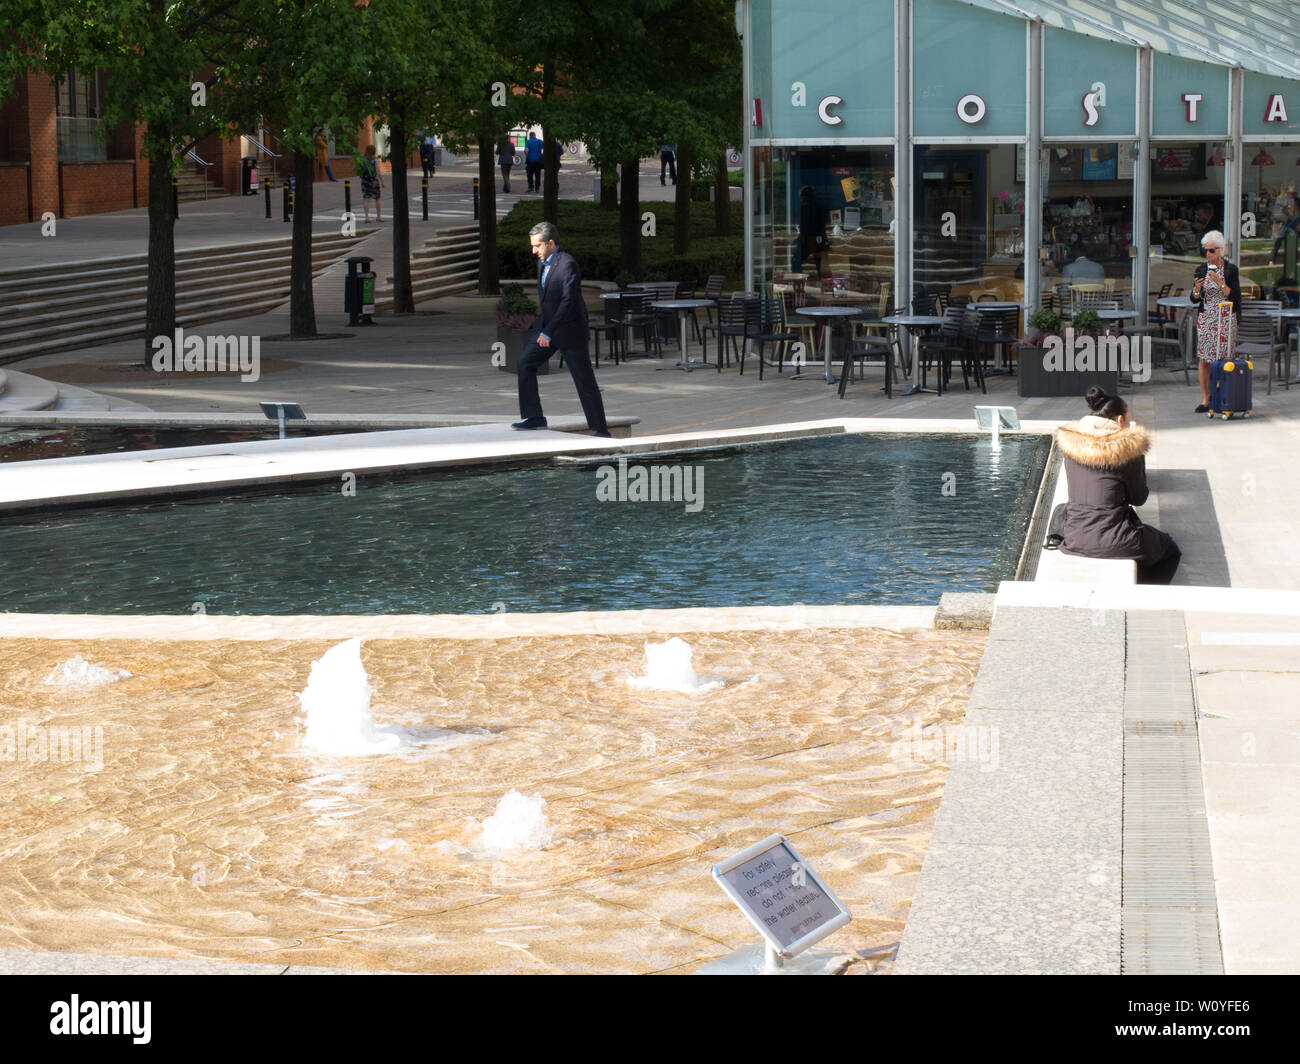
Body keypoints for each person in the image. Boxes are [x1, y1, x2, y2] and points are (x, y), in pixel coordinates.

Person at [1054, 387, 1181, 584]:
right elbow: (1139, 498)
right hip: (1117, 540)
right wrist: (1138, 460)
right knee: (1170, 549)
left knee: (1061, 510)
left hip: (1075, 537)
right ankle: (1144, 593)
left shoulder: (1070, 445)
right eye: (1128, 420)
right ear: (1120, 420)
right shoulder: (1126, 451)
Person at [513, 222, 611, 438]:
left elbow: (568, 301)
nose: (533, 251)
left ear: (550, 243)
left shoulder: (568, 264)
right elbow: (547, 300)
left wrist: (549, 331)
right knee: (524, 364)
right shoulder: (542, 264)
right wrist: (542, 328)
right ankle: (534, 417)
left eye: (537, 246)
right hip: (547, 328)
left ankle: (601, 430)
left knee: (583, 379)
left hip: (569, 331)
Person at [1190, 229, 1239, 413]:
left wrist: (1219, 282)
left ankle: (1224, 396)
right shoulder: (1201, 269)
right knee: (1204, 360)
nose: (1208, 254)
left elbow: (1234, 295)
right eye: (1206, 251)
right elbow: (1194, 298)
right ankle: (1206, 399)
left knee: (1224, 359)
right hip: (1207, 317)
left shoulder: (1231, 270)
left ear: (1220, 250)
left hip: (1225, 319)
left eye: (1212, 250)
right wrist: (1196, 289)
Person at [795, 185, 827, 276]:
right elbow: (823, 225)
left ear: (805, 196)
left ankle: (798, 280)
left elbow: (803, 228)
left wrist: (800, 240)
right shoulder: (820, 208)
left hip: (809, 239)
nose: (800, 198)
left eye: (801, 196)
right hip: (819, 239)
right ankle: (822, 281)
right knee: (819, 264)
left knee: (796, 261)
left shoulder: (803, 209)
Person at [358, 144, 382, 222]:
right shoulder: (374, 160)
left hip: (365, 181)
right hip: (374, 181)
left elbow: (359, 171)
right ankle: (379, 216)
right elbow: (378, 171)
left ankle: (367, 217)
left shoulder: (362, 159)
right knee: (377, 198)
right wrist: (382, 181)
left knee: (366, 199)